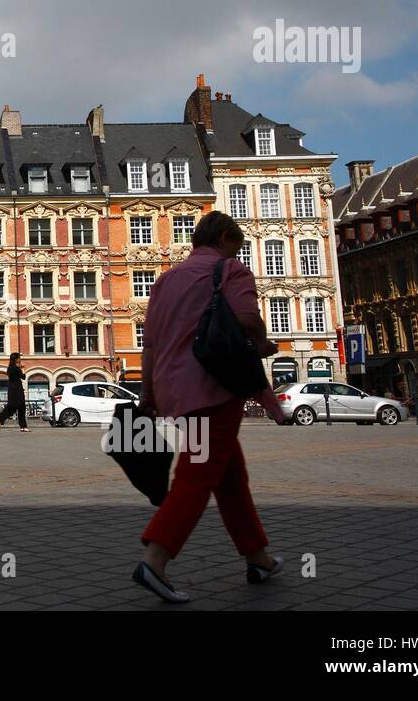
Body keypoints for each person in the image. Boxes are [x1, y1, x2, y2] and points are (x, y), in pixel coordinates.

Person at [132, 211, 283, 604]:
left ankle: (259, 557)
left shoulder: (165, 279)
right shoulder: (230, 270)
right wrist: (263, 344)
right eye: (238, 246)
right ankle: (155, 559)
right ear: (225, 240)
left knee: (230, 475)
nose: (239, 253)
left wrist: (148, 393)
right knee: (197, 474)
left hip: (175, 388)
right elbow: (249, 317)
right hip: (214, 388)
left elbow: (149, 344)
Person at [0, 353, 29, 432]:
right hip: (18, 389)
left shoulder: (9, 368)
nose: (20, 359)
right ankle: (23, 426)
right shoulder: (16, 368)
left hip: (11, 389)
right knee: (21, 407)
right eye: (19, 358)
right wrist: (23, 368)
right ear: (16, 359)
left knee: (11, 407)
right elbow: (23, 377)